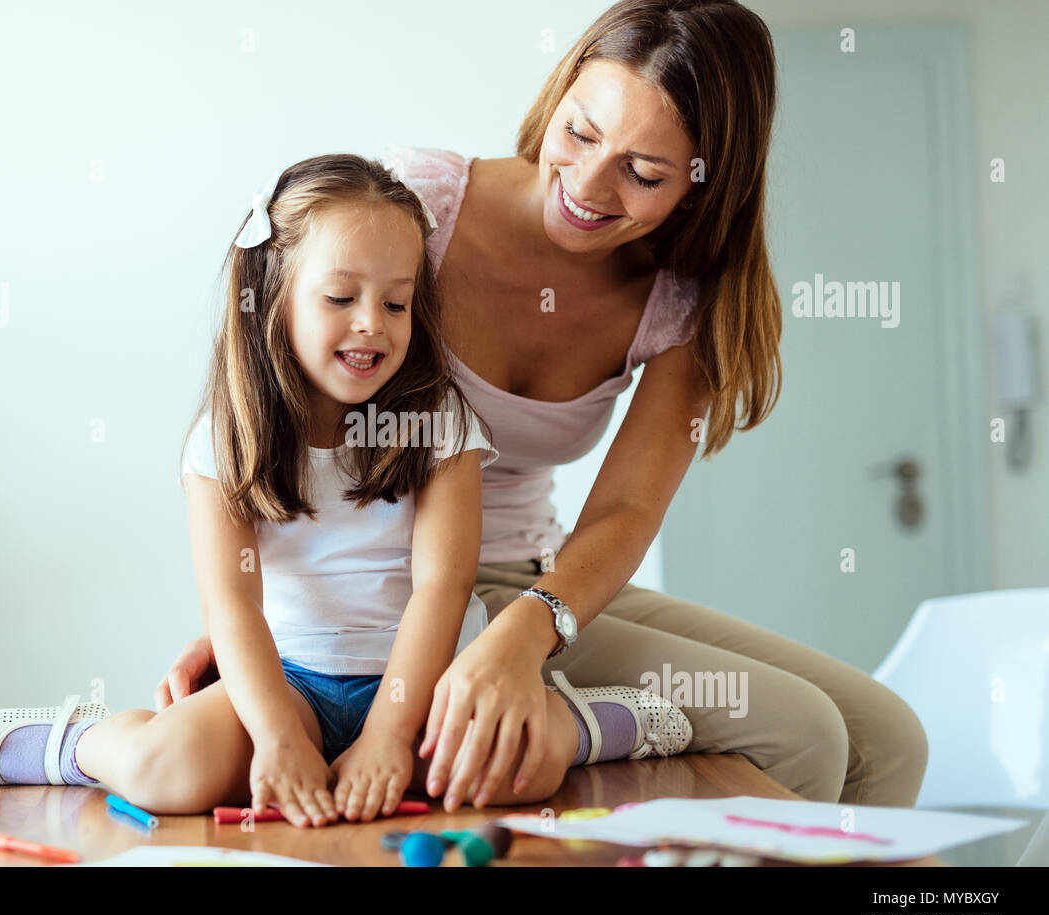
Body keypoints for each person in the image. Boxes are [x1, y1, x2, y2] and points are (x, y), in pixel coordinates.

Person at [156, 0, 929, 812]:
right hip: (419, 592)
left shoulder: (683, 301)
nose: (589, 187)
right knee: (805, 732)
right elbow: (276, 383)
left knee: (888, 740)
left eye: (644, 174)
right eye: (582, 133)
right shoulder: (419, 212)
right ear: (559, 91)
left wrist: (528, 634)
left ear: (705, 188)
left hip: (546, 582)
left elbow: (627, 509)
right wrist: (275, 619)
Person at [0, 153, 691, 827]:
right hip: (292, 682)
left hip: (424, 678)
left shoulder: (438, 422)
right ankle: (64, 741)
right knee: (166, 771)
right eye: (341, 297)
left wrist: (389, 737)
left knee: (507, 770)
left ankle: (610, 720)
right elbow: (231, 607)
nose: (373, 324)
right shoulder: (224, 435)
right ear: (274, 297)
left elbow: (441, 586)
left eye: (397, 303)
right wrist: (275, 738)